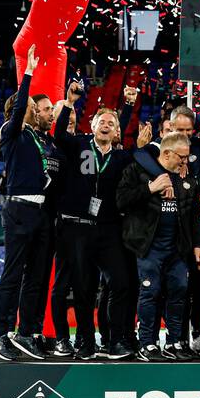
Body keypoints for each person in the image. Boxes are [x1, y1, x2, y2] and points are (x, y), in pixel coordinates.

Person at [47, 81, 136, 360]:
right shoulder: (77, 146)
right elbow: (60, 133)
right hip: (77, 228)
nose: (106, 125)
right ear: (92, 125)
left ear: (117, 130)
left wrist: (130, 107)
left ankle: (116, 340)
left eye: (112, 122)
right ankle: (85, 340)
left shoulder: (121, 157)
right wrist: (70, 102)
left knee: (121, 282)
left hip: (108, 229)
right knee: (83, 288)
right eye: (101, 121)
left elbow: (146, 156)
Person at [0, 46, 63, 362]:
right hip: (19, 208)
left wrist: (64, 105)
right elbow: (19, 112)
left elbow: (52, 119)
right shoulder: (12, 132)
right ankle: (0, 333)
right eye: (31, 105)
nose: (34, 109)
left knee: (37, 275)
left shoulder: (38, 138)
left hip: (41, 211)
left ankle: (28, 332)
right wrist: (29, 74)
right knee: (14, 274)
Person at [116, 132, 200, 361]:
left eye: (187, 158)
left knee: (178, 293)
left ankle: (175, 342)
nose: (186, 162)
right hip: (148, 248)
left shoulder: (185, 178)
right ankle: (147, 344)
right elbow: (121, 201)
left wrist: (197, 245)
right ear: (166, 153)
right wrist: (150, 188)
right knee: (150, 293)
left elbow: (193, 214)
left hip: (177, 249)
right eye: (182, 157)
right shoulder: (138, 171)